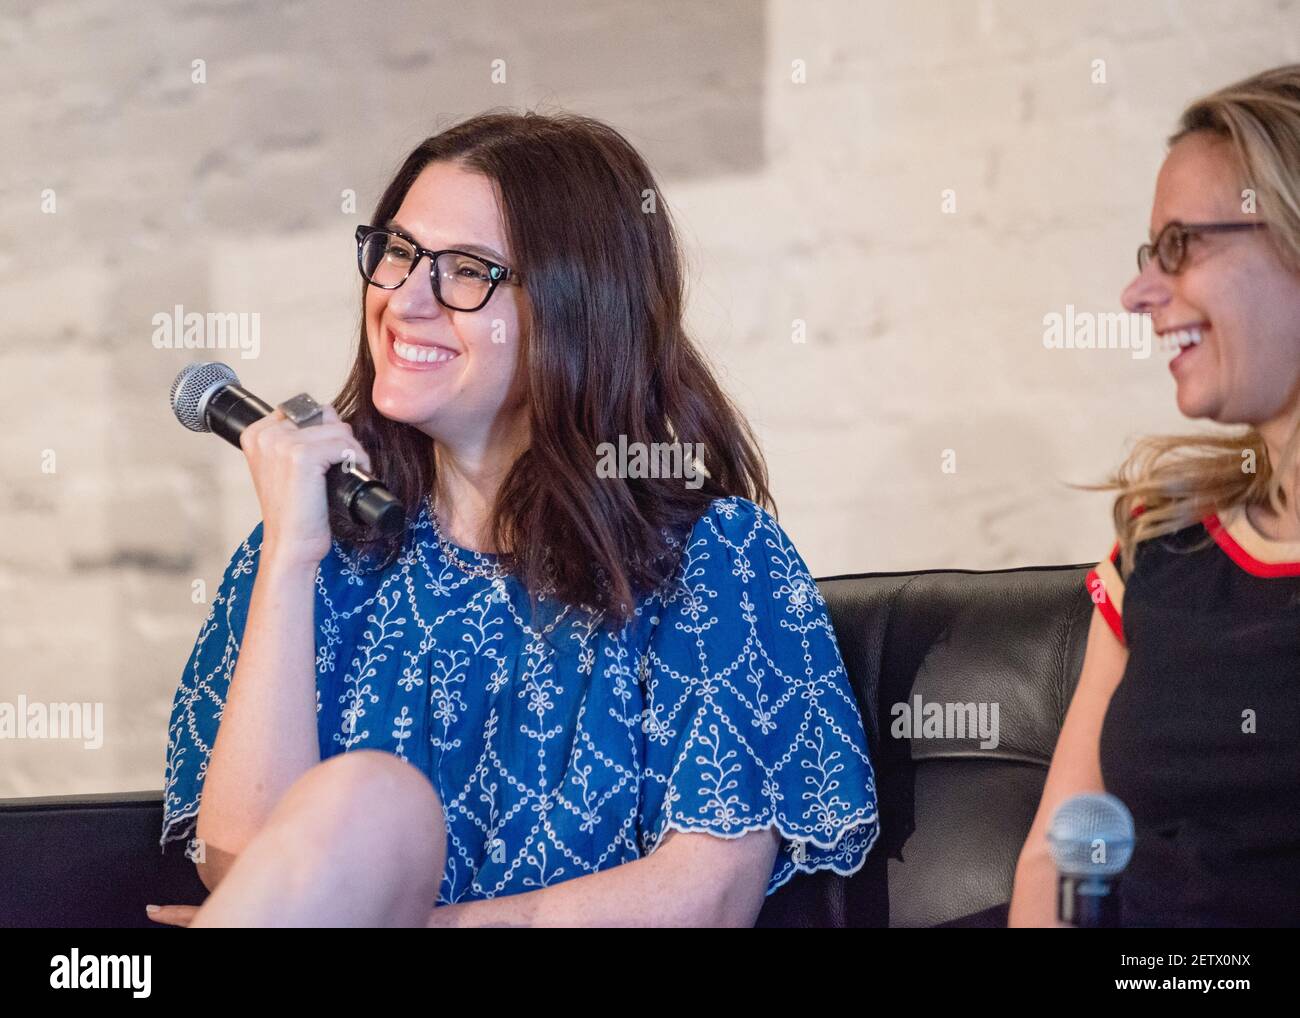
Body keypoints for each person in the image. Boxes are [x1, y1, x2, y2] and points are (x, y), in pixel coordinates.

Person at [151, 110, 880, 927]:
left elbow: (702, 899)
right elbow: (248, 875)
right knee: (369, 802)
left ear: (580, 308)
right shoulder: (311, 548)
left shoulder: (714, 557)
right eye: (396, 252)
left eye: (465, 271)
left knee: (374, 797)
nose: (404, 301)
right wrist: (289, 557)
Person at [1010, 66, 1300, 927]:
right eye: (1150, 253)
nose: (1139, 294)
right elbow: (1063, 849)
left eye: (1184, 246)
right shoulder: (1159, 548)